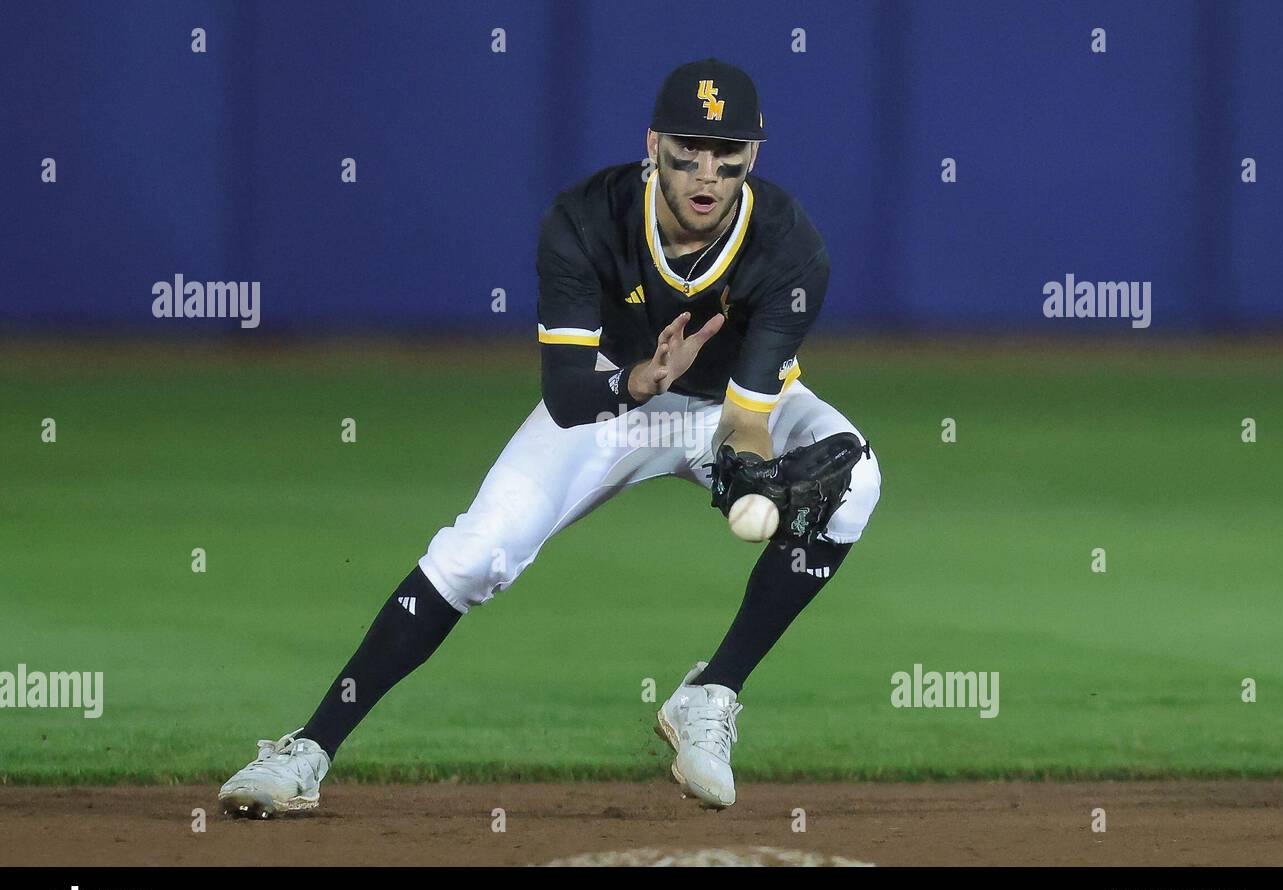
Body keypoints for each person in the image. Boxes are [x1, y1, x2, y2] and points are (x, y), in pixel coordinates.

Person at [218, 57, 881, 818]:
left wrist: (748, 474)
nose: (706, 173)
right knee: (472, 555)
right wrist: (638, 382)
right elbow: (567, 395)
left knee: (857, 480)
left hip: (728, 408)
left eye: (726, 155)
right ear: (653, 145)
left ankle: (711, 693)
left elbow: (748, 416)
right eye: (687, 152)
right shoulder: (586, 219)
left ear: (752, 156)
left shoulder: (789, 246)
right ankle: (306, 750)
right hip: (611, 397)